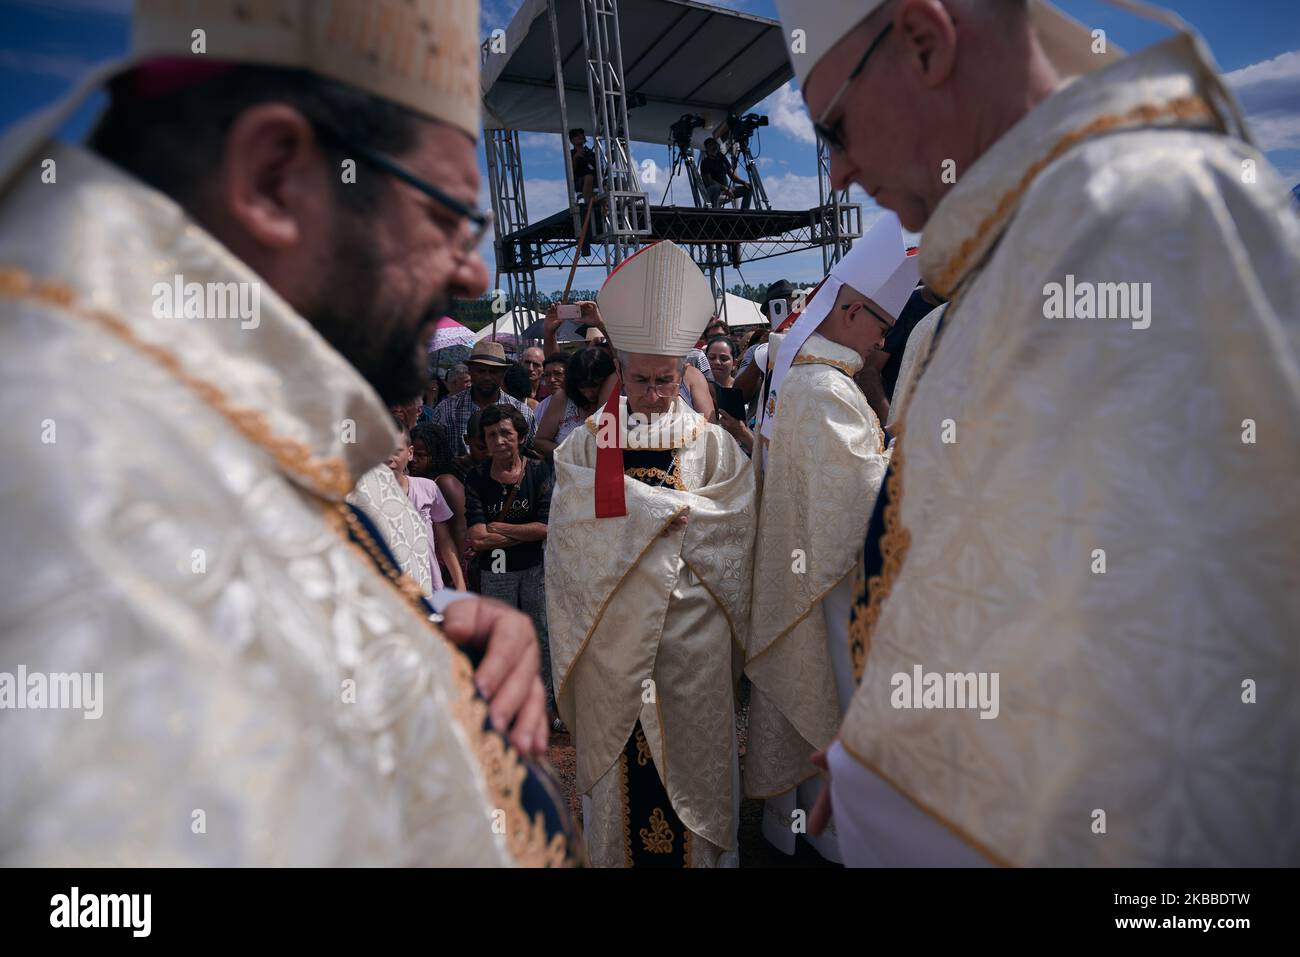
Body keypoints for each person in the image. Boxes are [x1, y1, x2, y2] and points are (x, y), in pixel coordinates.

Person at [0, 0, 578, 866]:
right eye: (448, 216)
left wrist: (433, 616)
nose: (474, 269)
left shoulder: (186, 402)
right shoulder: (74, 501)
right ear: (274, 179)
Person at [778, 0, 1300, 866]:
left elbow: (1210, 702)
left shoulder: (1153, 214)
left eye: (834, 127)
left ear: (924, 38)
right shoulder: (1008, 261)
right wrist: (888, 758)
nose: (834, 174)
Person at [546, 240, 757, 867]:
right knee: (625, 761)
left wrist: (676, 526)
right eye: (640, 379)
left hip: (692, 633)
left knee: (694, 759)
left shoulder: (707, 441)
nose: (655, 392)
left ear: (682, 370)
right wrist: (661, 515)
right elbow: (573, 534)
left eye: (666, 379)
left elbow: (736, 516)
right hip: (617, 637)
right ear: (620, 368)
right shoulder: (591, 443)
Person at [744, 214, 917, 862]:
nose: (880, 344)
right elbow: (865, 506)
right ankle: (836, 839)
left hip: (827, 589)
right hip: (833, 597)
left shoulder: (818, 382)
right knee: (834, 710)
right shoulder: (824, 391)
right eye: (878, 324)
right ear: (846, 310)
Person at [464, 406, 556, 720]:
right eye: (491, 435)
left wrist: (498, 528)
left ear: (519, 436)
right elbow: (476, 538)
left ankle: (544, 708)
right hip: (496, 573)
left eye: (506, 433)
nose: (499, 440)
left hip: (534, 570)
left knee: (540, 636)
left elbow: (545, 527)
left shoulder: (539, 471)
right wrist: (524, 532)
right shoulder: (476, 477)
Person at [430, 340, 536, 456]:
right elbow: (434, 455)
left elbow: (530, 454)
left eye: (493, 372)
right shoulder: (446, 410)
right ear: (470, 371)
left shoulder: (522, 413)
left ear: (503, 373)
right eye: (481, 371)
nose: (487, 377)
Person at [410, 421, 469, 583]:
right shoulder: (415, 482)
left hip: (450, 562)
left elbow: (460, 529)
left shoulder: (445, 482)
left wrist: (456, 572)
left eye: (421, 455)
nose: (413, 460)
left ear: (435, 455)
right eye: (412, 453)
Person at [534, 346, 616, 457]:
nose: (589, 393)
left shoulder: (619, 401)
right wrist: (572, 454)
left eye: (595, 385)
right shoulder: (562, 399)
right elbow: (540, 442)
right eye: (582, 387)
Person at [700, 137, 752, 210]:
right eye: (711, 145)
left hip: (727, 190)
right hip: (714, 191)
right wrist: (725, 188)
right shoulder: (705, 162)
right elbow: (709, 182)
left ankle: (744, 212)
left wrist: (743, 182)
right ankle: (714, 212)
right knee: (715, 188)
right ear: (707, 148)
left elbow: (732, 176)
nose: (714, 146)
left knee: (749, 188)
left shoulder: (722, 158)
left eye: (715, 144)